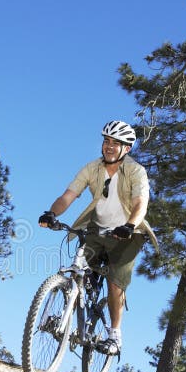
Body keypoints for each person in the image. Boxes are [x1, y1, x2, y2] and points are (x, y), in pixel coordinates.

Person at [38, 120, 158, 355]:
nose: (109, 146)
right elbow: (68, 195)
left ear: (127, 148)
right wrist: (52, 213)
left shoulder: (136, 171)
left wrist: (129, 225)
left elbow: (140, 204)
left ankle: (114, 335)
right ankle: (75, 310)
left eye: (116, 143)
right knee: (81, 270)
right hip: (97, 228)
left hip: (128, 234)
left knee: (115, 281)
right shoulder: (92, 168)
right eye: (106, 141)